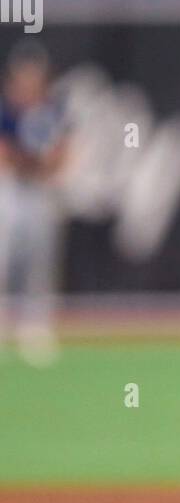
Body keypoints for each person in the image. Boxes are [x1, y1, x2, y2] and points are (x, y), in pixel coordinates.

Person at [0, 42, 70, 365]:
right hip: (10, 189)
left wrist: (43, 165)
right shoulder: (6, 109)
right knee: (4, 257)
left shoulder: (52, 108)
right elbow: (4, 153)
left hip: (41, 190)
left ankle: (36, 329)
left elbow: (63, 150)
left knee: (40, 261)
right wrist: (27, 161)